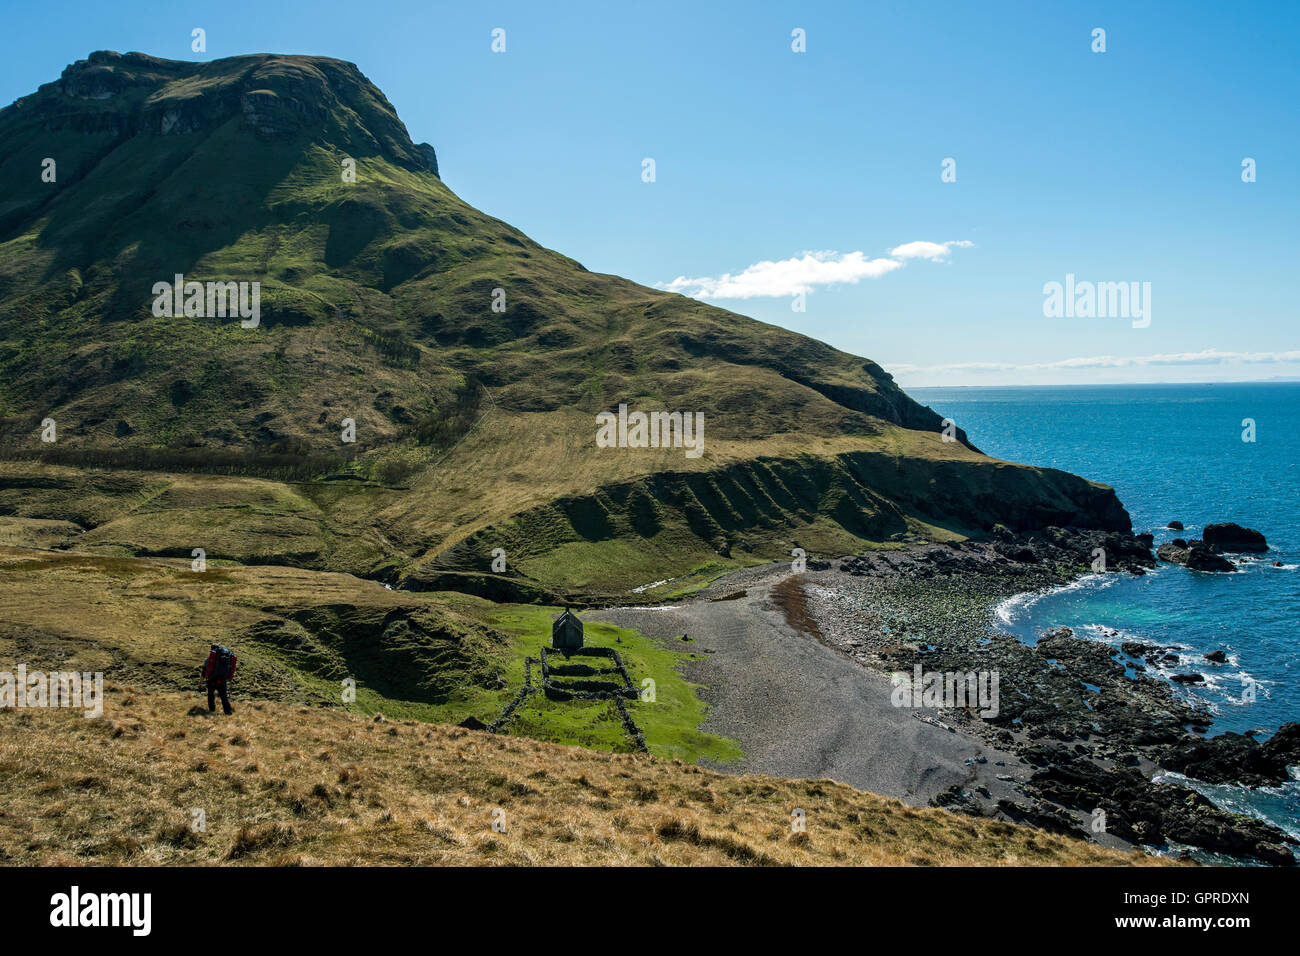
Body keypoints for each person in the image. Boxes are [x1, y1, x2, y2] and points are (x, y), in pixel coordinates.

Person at [200, 644, 238, 715]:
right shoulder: (226, 659)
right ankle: (228, 712)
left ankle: (212, 710)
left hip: (212, 679)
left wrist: (200, 684)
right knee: (224, 696)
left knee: (211, 694)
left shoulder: (208, 660)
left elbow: (203, 673)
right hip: (222, 680)